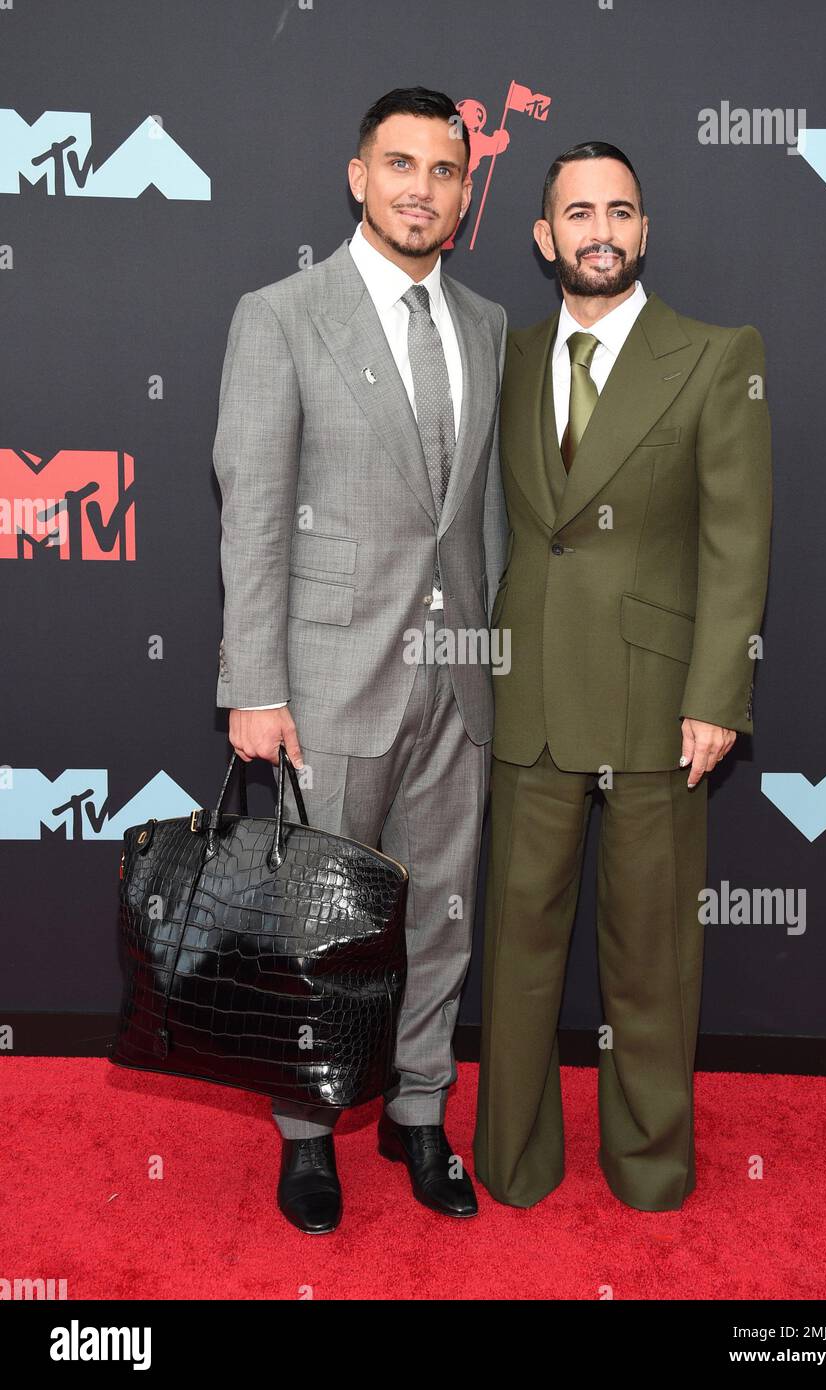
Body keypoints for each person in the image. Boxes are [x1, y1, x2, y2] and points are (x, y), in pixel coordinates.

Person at [212, 87, 508, 1234]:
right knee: (320, 925)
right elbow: (253, 510)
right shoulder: (280, 315)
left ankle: (418, 1110)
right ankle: (306, 1130)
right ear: (357, 176)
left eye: (442, 170)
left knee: (440, 917)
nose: (420, 189)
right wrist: (254, 684)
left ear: (464, 191)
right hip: (327, 682)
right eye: (399, 164)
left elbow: (477, 517)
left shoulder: (485, 324)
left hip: (457, 682)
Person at [473, 141, 772, 1212]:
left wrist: (716, 695)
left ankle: (648, 1165)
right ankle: (511, 1158)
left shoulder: (714, 355)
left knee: (650, 957)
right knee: (515, 954)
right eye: (578, 213)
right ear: (542, 236)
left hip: (657, 701)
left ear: (643, 230)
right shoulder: (505, 356)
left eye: (619, 211)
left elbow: (737, 542)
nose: (599, 231)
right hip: (527, 696)